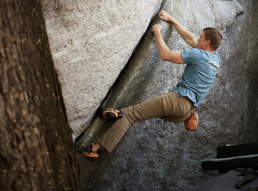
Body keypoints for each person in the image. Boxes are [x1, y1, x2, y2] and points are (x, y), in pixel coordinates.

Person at [75, 10, 222, 161]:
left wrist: (157, 32)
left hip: (177, 101)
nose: (198, 39)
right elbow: (190, 38)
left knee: (132, 116)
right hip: (185, 113)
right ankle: (116, 113)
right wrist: (172, 19)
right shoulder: (215, 59)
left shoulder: (198, 55)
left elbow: (166, 55)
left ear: (207, 42)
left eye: (201, 37)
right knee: (138, 111)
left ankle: (94, 150)